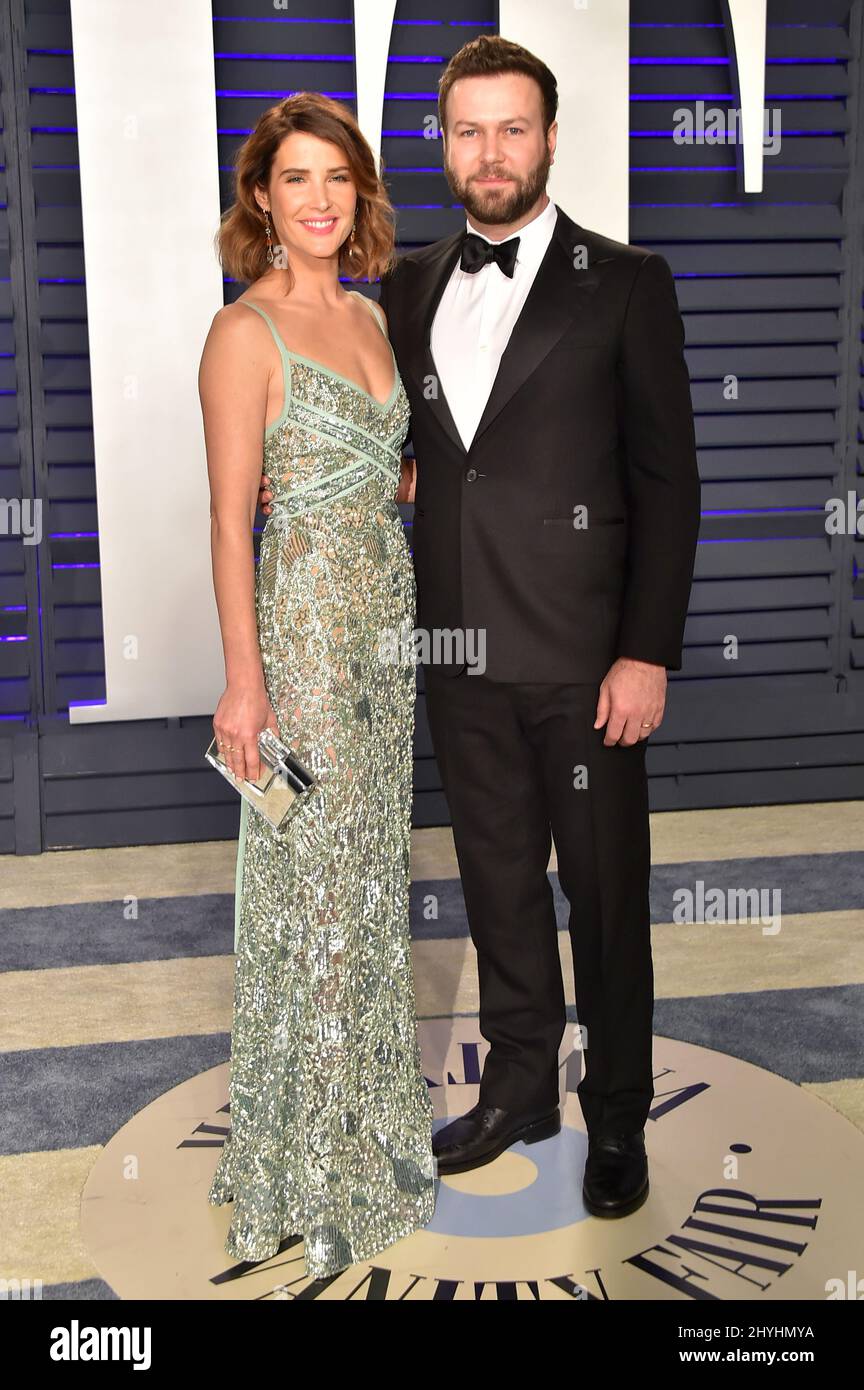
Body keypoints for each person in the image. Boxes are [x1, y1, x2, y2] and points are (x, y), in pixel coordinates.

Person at [261, 36, 702, 1221]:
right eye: (468, 130)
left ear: (549, 138)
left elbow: (670, 482)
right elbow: (395, 449)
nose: (490, 152)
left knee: (605, 903)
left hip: (587, 660)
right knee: (499, 888)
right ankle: (519, 1090)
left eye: (513, 128)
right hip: (452, 658)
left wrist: (646, 649)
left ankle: (616, 1115)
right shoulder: (403, 288)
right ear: (442, 143)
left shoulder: (628, 282)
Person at [198, 90, 435, 1281]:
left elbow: (380, 477)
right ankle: (301, 1162)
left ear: (361, 193)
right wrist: (245, 684)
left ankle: (364, 1119)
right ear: (262, 198)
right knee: (309, 900)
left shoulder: (373, 315)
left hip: (383, 642)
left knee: (368, 888)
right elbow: (231, 520)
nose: (321, 200)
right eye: (297, 179)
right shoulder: (244, 333)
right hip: (298, 644)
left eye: (338, 178)